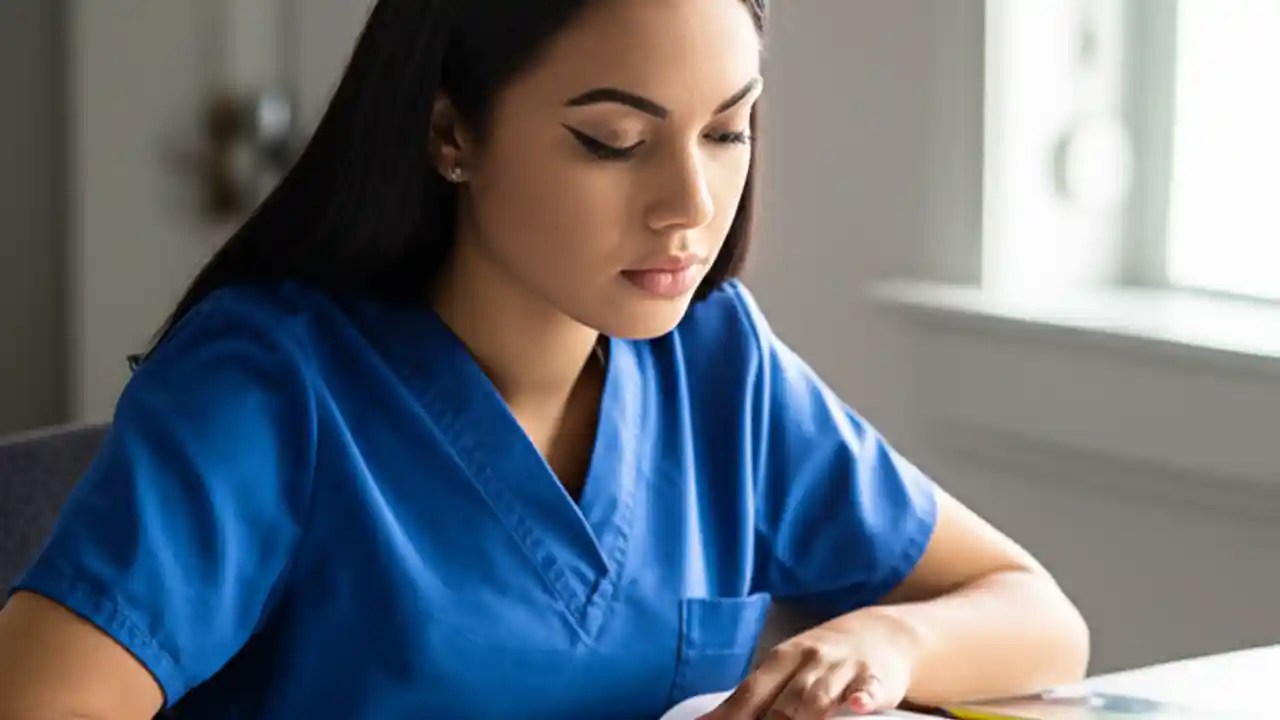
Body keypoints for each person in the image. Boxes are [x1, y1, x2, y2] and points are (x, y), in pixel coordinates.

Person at [0, 0, 1089, 718]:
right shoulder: (268, 386)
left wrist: (884, 644)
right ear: (450, 136)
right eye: (613, 141)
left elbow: (1037, 617)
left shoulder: (716, 362)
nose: (689, 207)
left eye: (726, 130)